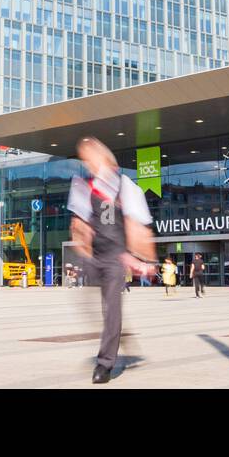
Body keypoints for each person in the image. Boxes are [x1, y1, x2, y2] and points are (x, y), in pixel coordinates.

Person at [69, 135, 155, 384]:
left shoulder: (125, 185)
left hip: (116, 257)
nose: (88, 164)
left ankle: (104, 364)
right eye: (85, 160)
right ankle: (118, 334)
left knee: (111, 309)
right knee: (90, 307)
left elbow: (137, 225)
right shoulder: (83, 186)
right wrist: (81, 238)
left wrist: (143, 258)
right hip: (93, 256)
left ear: (104, 157)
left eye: (90, 158)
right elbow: (78, 225)